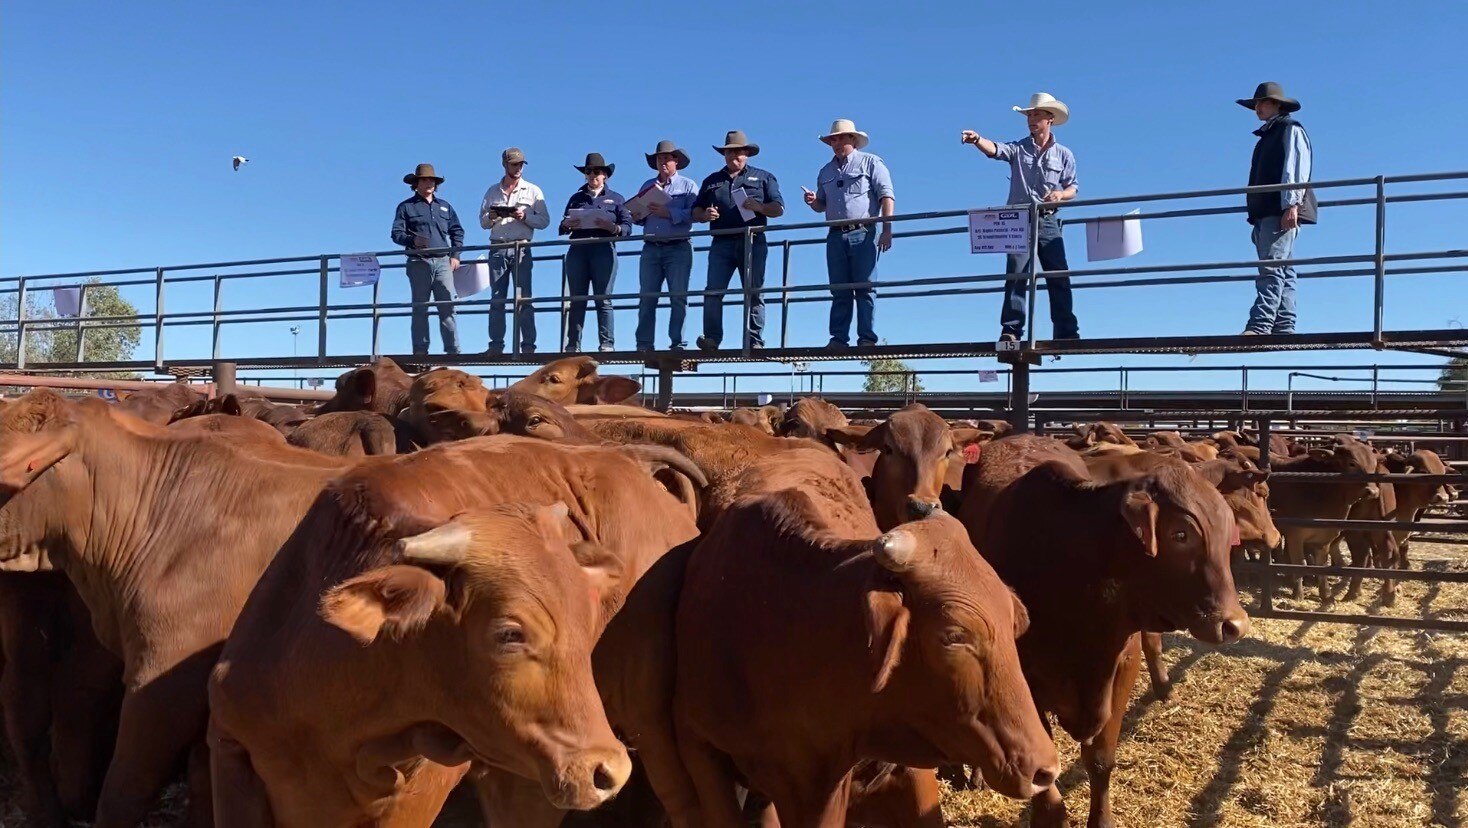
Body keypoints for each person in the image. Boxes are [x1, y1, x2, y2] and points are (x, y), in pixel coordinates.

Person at [961, 92, 1079, 343]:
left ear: (1050, 119)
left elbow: (1073, 188)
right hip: (1018, 219)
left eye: (1036, 114)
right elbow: (995, 150)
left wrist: (1060, 195)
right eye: (1029, 115)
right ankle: (1011, 330)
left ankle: (1066, 332)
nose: (1031, 119)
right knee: (1017, 274)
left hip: (1047, 219)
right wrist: (977, 140)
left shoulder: (1064, 154)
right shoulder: (1018, 148)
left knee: (1058, 274)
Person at [803, 119, 893, 350]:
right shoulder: (825, 171)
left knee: (865, 286)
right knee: (839, 288)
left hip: (864, 232)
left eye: (842, 137)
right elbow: (822, 205)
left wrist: (887, 229)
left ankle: (866, 338)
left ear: (853, 139)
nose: (837, 142)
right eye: (833, 138)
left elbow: (886, 196)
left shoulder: (871, 162)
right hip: (835, 234)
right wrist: (813, 202)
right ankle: (838, 338)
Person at [692, 130, 784, 351]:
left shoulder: (764, 177)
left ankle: (754, 339)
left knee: (754, 290)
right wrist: (705, 215)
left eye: (739, 152)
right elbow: (696, 210)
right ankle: (712, 339)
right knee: (713, 291)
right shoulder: (711, 180)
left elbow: (779, 208)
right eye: (730, 152)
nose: (735, 156)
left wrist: (760, 207)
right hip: (721, 242)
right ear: (724, 154)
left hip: (752, 240)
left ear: (747, 154)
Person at [1237, 82, 1315, 335]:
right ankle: (1283, 323)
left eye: (1262, 102)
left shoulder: (1289, 130)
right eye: (1256, 103)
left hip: (1277, 208)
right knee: (1283, 267)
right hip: (1267, 209)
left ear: (1276, 105)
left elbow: (1295, 168)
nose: (1257, 108)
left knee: (1271, 266)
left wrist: (1292, 204)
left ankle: (1261, 323)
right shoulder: (1271, 133)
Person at [478, 147, 550, 354]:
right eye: (514, 164)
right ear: (505, 165)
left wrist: (524, 217)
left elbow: (544, 221)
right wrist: (494, 216)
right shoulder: (492, 191)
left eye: (520, 164)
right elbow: (482, 222)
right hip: (498, 247)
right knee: (497, 298)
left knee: (524, 298)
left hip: (522, 248)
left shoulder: (534, 191)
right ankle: (496, 346)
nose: (518, 168)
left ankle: (528, 345)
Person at [559, 152, 631, 353]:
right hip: (578, 249)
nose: (592, 175)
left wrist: (612, 227)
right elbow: (562, 225)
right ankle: (573, 344)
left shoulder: (617, 199)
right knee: (577, 298)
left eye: (596, 171)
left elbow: (627, 227)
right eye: (588, 172)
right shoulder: (576, 198)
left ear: (605, 175)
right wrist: (566, 224)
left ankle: (607, 343)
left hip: (603, 249)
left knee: (603, 298)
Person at [632, 140, 698, 352]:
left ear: (676, 161)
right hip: (651, 246)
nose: (663, 161)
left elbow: (695, 214)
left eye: (667, 158)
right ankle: (644, 344)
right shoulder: (647, 186)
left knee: (678, 296)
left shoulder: (688, 186)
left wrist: (668, 213)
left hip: (678, 246)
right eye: (660, 158)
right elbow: (639, 218)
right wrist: (636, 214)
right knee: (647, 297)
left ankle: (677, 343)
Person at [390, 163, 463, 355]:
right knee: (420, 309)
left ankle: (453, 352)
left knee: (447, 308)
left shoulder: (445, 207)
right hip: (418, 262)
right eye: (425, 179)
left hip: (443, 262)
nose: (429, 182)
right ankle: (420, 353)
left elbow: (457, 231)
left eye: (432, 179)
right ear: (416, 183)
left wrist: (455, 255)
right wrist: (412, 240)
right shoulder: (406, 207)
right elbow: (396, 233)